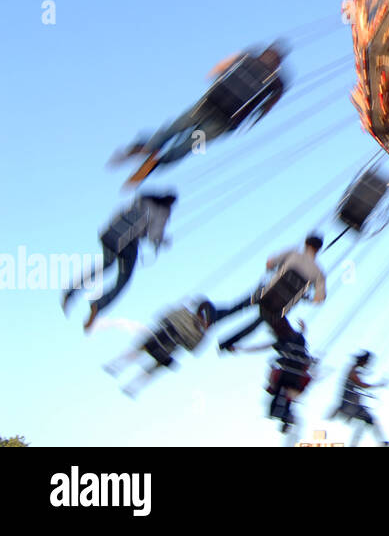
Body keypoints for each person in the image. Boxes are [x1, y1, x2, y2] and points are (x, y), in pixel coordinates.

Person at [110, 42, 290, 185]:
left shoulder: (248, 57)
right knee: (191, 146)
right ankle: (157, 164)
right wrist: (250, 123)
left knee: (173, 128)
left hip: (206, 104)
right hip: (224, 122)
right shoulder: (278, 82)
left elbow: (222, 66)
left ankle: (147, 147)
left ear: (266, 51)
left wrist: (212, 75)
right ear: (280, 60)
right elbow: (266, 109)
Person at [62, 190, 178, 331]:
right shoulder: (163, 211)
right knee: (123, 280)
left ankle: (70, 293)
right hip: (128, 241)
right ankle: (98, 305)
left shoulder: (143, 199)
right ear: (170, 203)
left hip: (111, 233)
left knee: (105, 266)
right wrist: (164, 242)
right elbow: (154, 235)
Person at [212, 234, 326, 352]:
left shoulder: (293, 253)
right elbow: (319, 299)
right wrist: (305, 297)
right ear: (318, 249)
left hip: (265, 294)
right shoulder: (319, 273)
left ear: (306, 244)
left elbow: (270, 263)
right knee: (254, 325)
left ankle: (212, 318)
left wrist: (276, 269)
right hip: (278, 308)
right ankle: (226, 344)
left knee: (238, 307)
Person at [103, 298, 216, 397]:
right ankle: (130, 382)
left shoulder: (184, 313)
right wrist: (202, 333)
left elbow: (164, 317)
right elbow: (193, 348)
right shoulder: (197, 333)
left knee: (144, 352)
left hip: (162, 338)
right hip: (167, 346)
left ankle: (118, 367)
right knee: (153, 362)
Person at [329, 351, 389, 446]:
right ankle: (382, 442)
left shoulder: (355, 370)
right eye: (366, 362)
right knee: (369, 420)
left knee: (366, 422)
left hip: (352, 405)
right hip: (349, 406)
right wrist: (379, 384)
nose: (367, 364)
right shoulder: (352, 371)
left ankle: (379, 442)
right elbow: (361, 384)